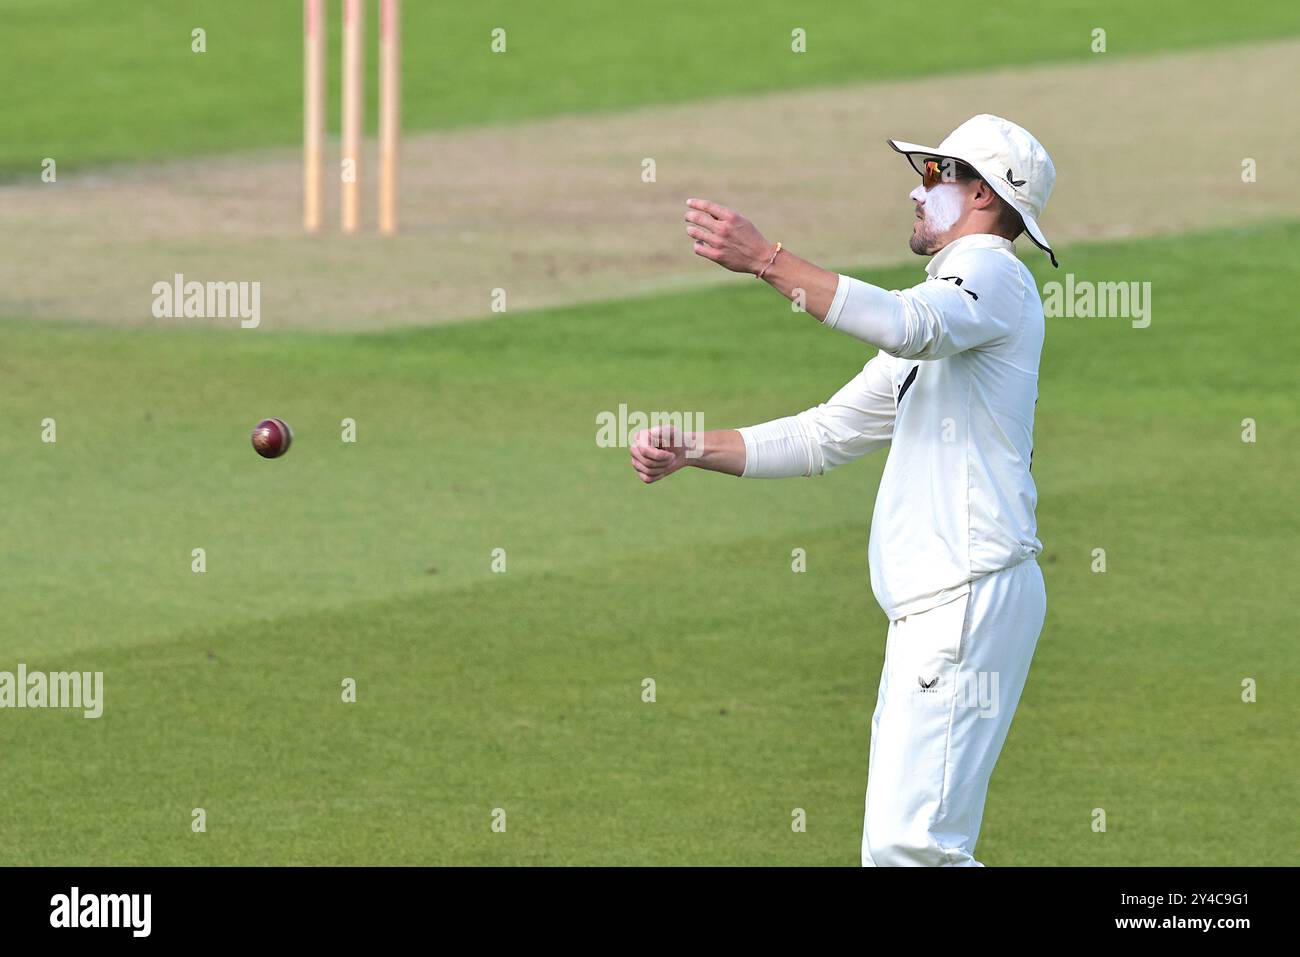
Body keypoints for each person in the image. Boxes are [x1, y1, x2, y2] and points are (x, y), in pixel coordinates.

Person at [629, 115, 1057, 866]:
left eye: (936, 175)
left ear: (984, 194)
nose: (916, 192)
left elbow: (906, 323)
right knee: (899, 848)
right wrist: (696, 448)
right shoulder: (955, 307)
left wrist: (767, 259)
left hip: (963, 593)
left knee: (909, 849)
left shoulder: (991, 274)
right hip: (940, 604)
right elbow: (825, 434)